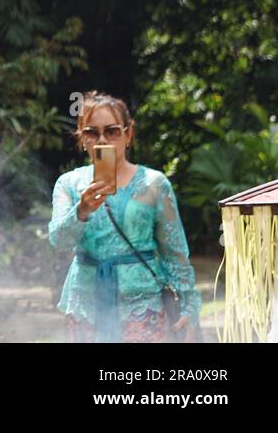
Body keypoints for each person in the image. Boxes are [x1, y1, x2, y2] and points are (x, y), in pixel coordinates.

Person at [48, 91, 201, 342]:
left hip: (142, 304)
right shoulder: (69, 184)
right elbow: (59, 240)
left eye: (112, 131)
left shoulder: (154, 184)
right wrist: (82, 210)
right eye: (91, 132)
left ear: (127, 135)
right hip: (87, 303)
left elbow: (175, 253)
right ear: (81, 138)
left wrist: (188, 307)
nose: (102, 140)